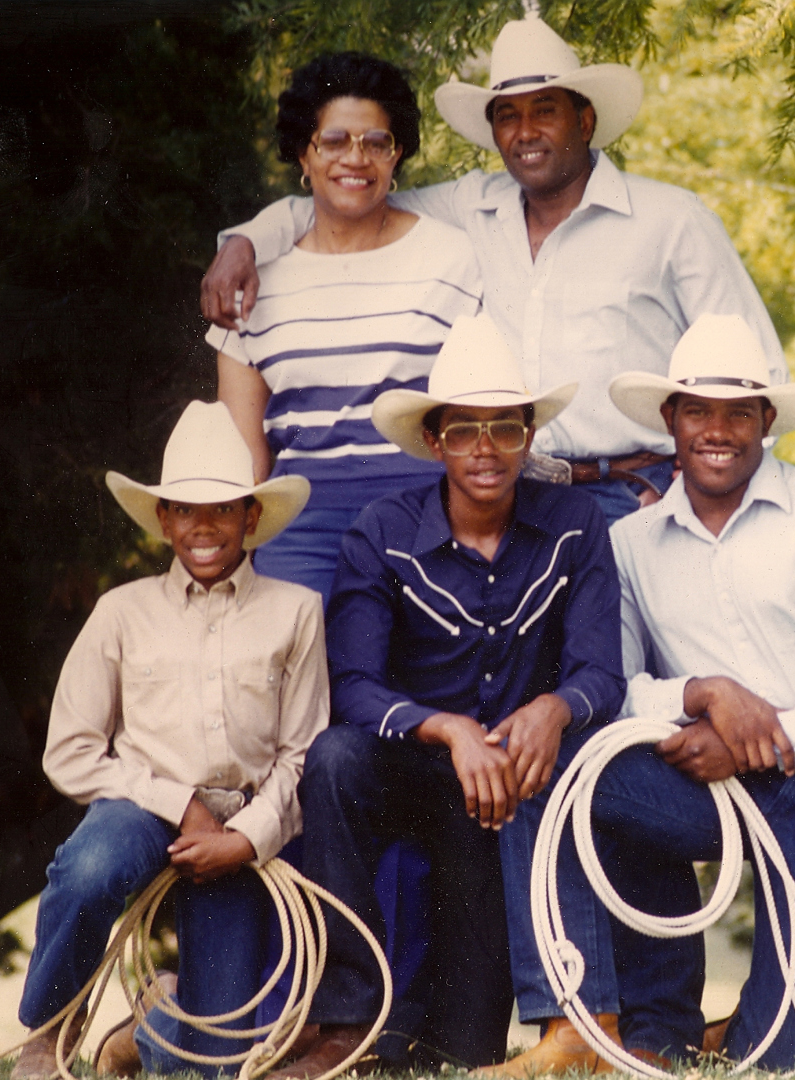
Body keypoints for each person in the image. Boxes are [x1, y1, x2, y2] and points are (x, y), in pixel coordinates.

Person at [485, 314, 795, 1075]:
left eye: (738, 411)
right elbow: (617, 687)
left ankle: (737, 1025)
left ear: (768, 419)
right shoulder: (629, 543)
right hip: (705, 790)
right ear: (670, 419)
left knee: (783, 1055)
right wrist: (702, 694)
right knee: (555, 761)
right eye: (697, 409)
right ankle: (587, 1024)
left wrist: (776, 733)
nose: (717, 429)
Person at [201, 13, 787, 522]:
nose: (525, 132)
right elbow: (347, 195)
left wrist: (710, 499)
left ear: (584, 121)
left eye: (545, 111)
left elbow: (759, 372)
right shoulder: (471, 209)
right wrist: (244, 243)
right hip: (513, 501)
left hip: (638, 493)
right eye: (507, 115)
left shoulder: (671, 221)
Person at [263, 315, 626, 1079]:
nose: (485, 449)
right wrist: (447, 729)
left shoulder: (576, 524)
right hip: (417, 772)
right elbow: (354, 684)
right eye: (465, 430)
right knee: (333, 759)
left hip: (517, 795)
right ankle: (343, 1019)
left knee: (463, 1052)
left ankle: (554, 1028)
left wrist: (554, 708)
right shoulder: (381, 531)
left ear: (529, 435)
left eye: (504, 428)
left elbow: (602, 671)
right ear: (435, 441)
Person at [11, 401, 325, 1080]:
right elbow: (71, 749)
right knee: (89, 869)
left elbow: (302, 752)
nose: (202, 526)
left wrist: (244, 838)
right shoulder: (121, 612)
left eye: (220, 509)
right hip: (141, 808)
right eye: (184, 509)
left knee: (216, 1062)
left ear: (251, 515)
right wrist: (178, 802)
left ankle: (152, 1021)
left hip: (239, 825)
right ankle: (46, 1034)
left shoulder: (296, 611)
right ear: (163, 520)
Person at [210, 50, 483, 597]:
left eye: (377, 142)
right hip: (301, 530)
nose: (355, 159)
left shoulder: (453, 258)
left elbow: (479, 407)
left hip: (428, 517)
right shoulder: (253, 281)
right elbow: (244, 461)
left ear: (397, 153)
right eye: (334, 141)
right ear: (302, 156)